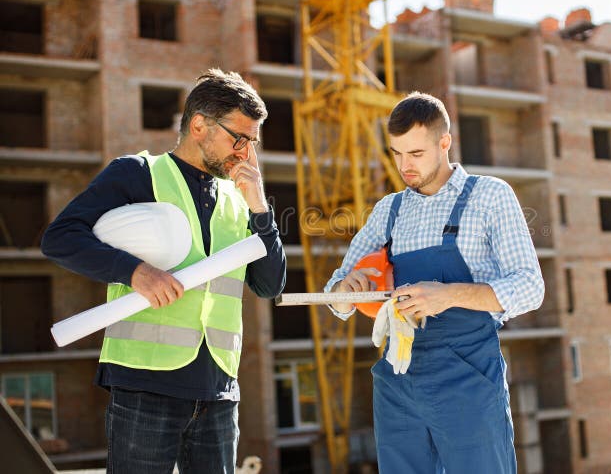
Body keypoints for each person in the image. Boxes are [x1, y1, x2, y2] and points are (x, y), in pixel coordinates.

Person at [41, 69, 286, 474]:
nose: (244, 152)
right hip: (145, 385)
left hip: (219, 390)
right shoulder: (137, 174)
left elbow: (268, 283)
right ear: (198, 125)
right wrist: (134, 272)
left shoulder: (240, 196)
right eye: (237, 138)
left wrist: (260, 207)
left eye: (252, 143)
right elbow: (61, 237)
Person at [325, 92, 545, 473]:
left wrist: (448, 296)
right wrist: (346, 292)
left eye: (416, 154)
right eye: (396, 153)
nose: (404, 166)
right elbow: (337, 295)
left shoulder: (490, 197)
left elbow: (530, 286)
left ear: (444, 143)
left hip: (468, 377)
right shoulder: (388, 211)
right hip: (399, 382)